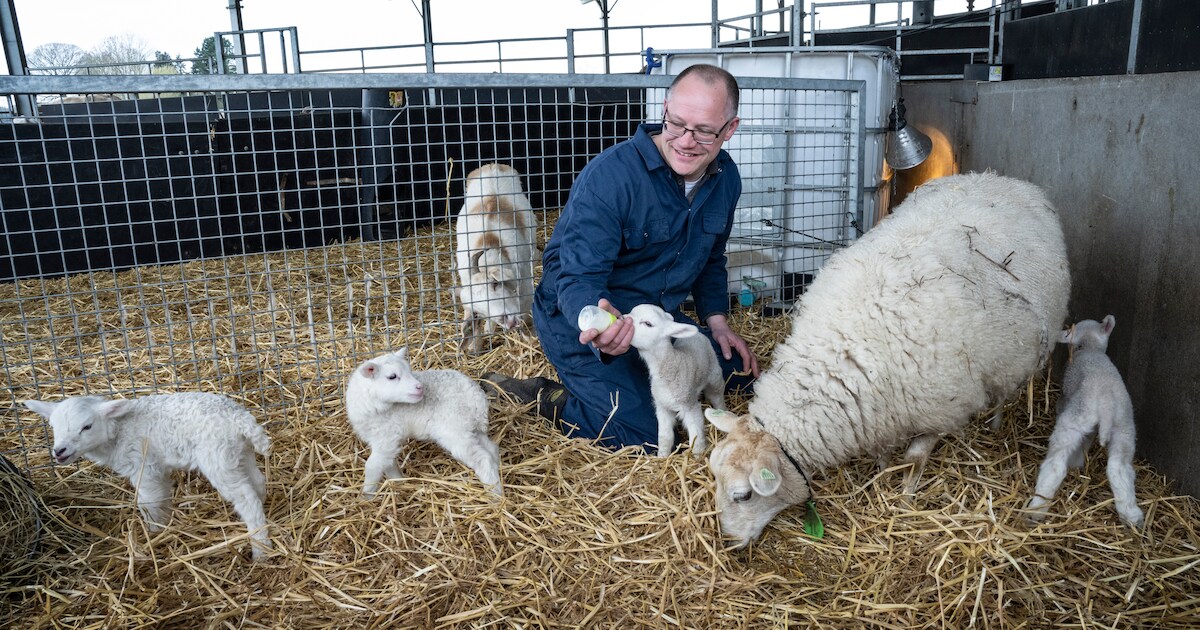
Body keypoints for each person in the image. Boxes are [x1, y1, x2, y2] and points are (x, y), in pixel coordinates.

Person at [485, 63, 760, 453]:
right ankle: (545, 399)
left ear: (729, 129)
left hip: (652, 316)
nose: (685, 140)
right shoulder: (611, 177)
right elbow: (575, 275)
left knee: (739, 375)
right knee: (642, 434)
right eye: (677, 123)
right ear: (665, 108)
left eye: (703, 131)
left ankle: (627, 379)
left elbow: (711, 256)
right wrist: (599, 328)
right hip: (582, 315)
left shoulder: (726, 179)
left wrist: (717, 323)